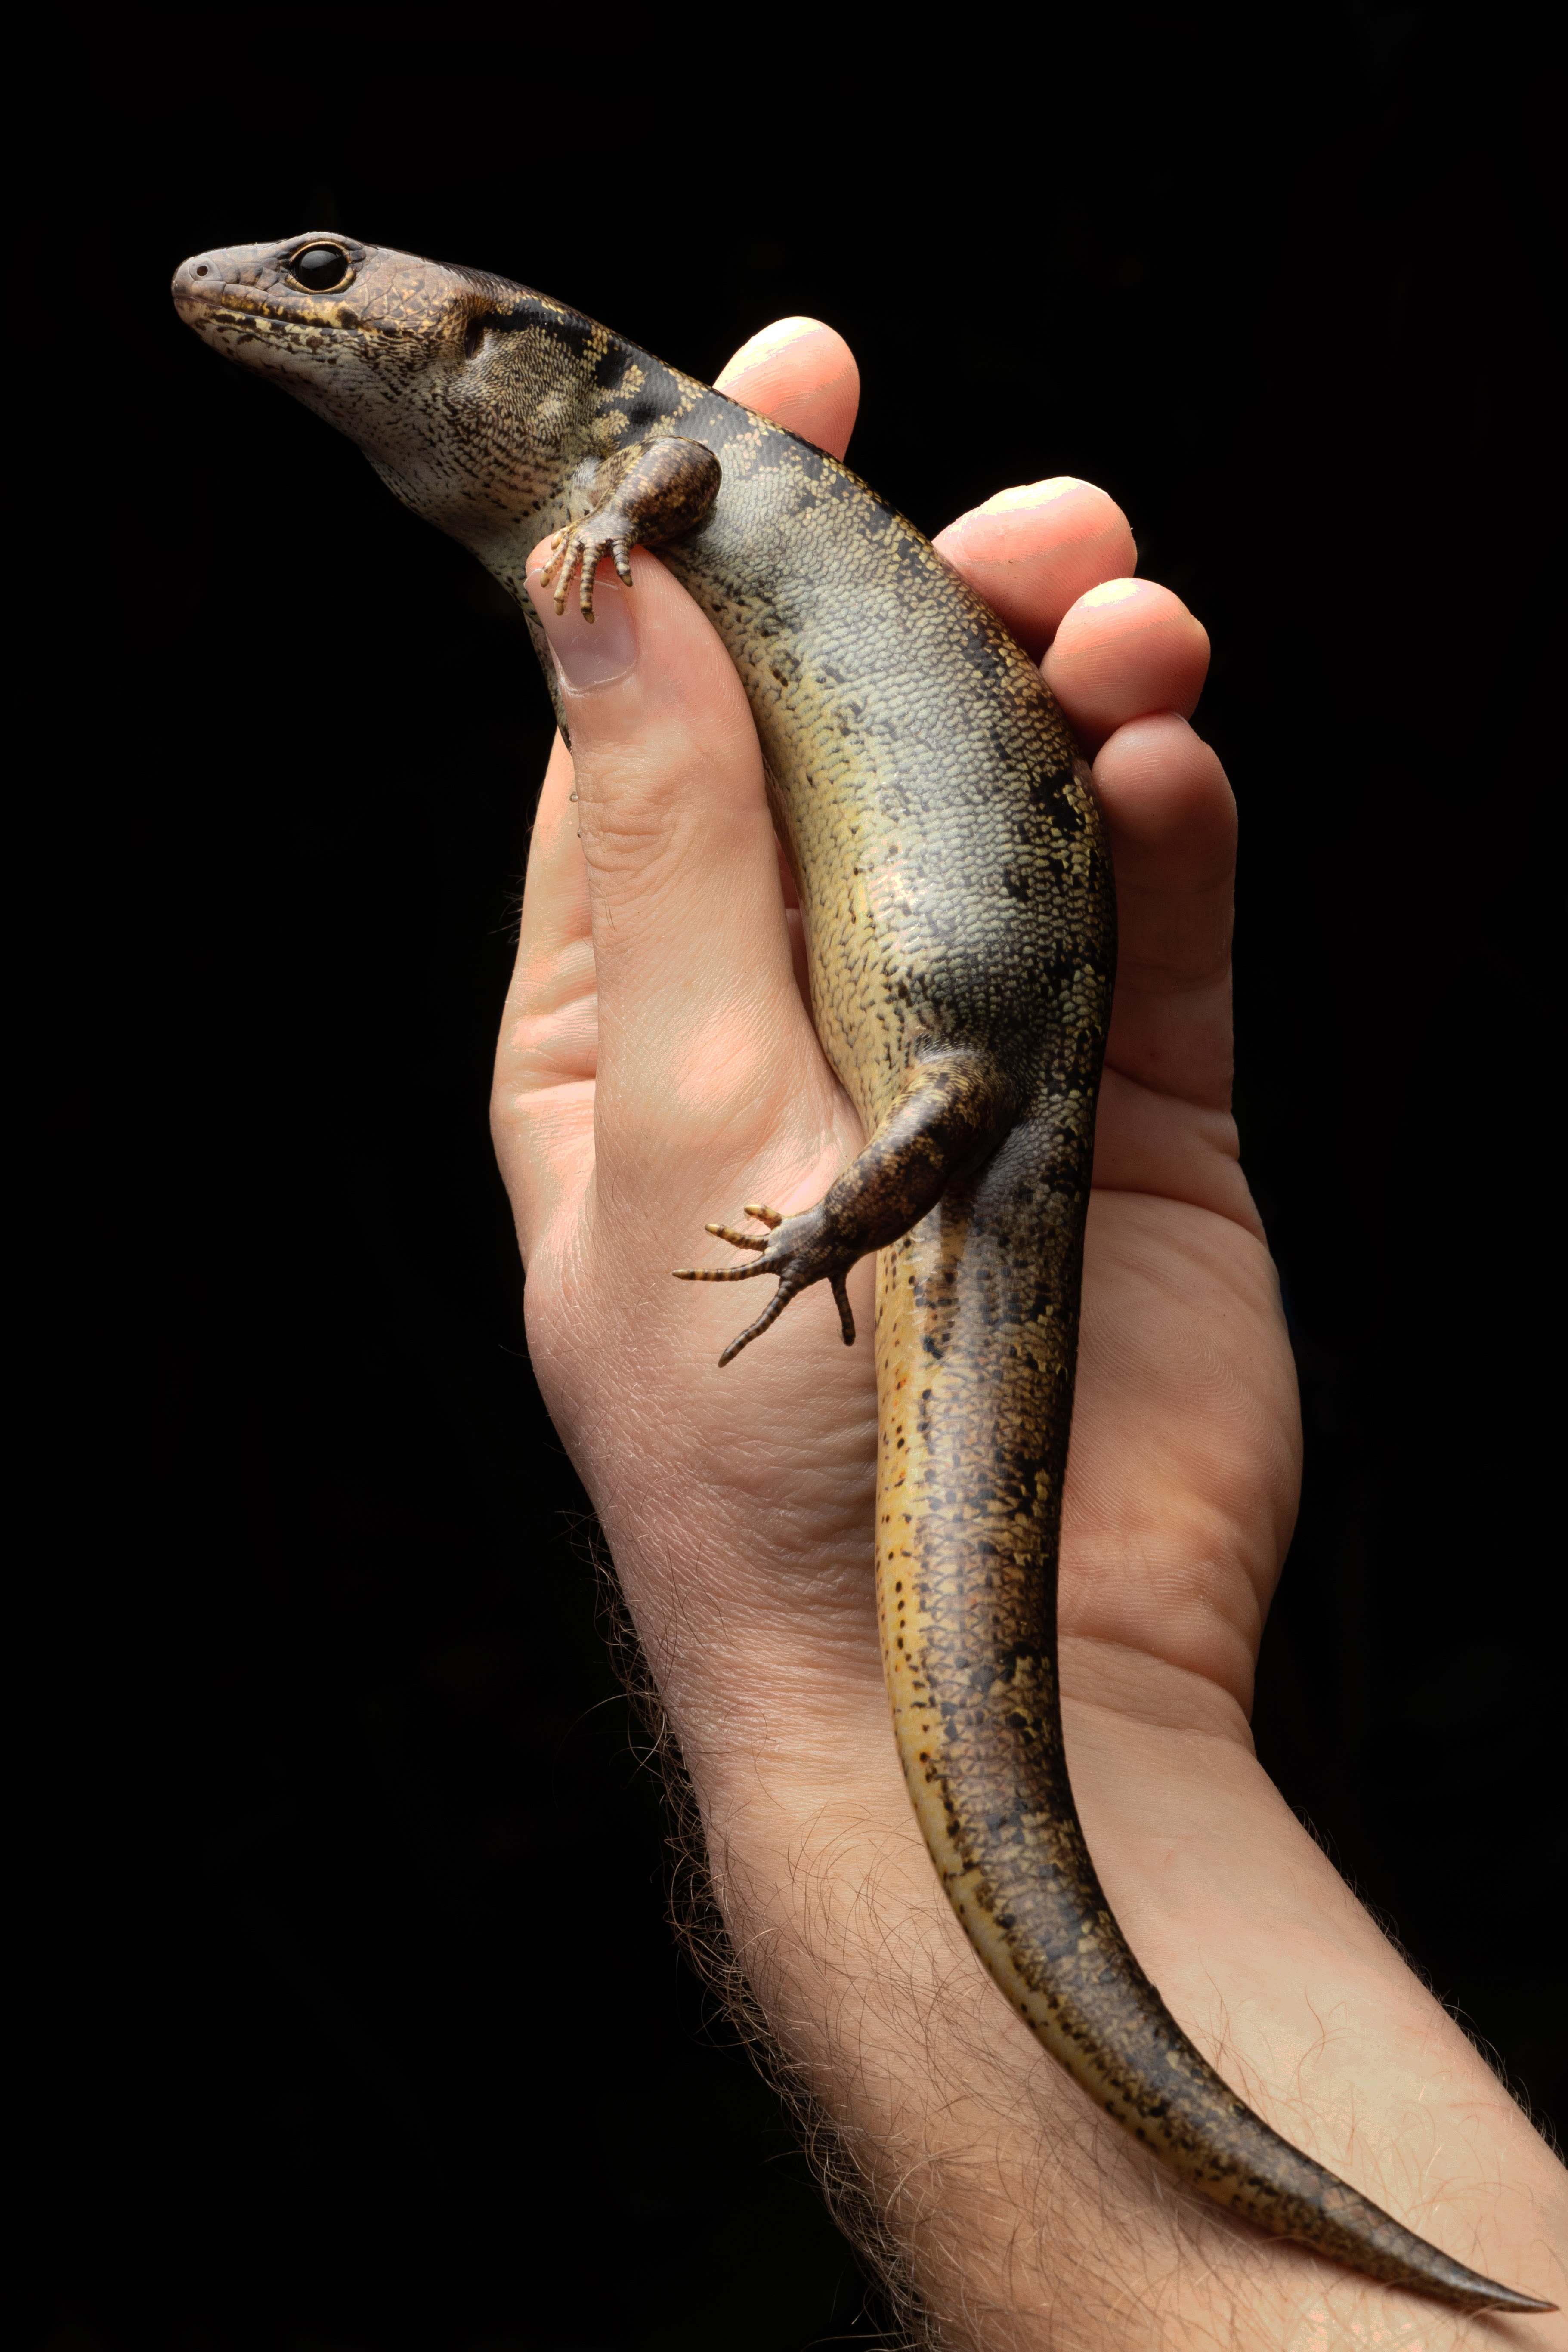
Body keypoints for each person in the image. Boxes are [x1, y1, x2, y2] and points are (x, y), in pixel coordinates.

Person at [490, 317, 1566, 2344]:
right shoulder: (656, 464)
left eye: (335, 268)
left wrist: (823, 1253)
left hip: (950, 1097)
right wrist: (1105, 1712)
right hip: (959, 1073)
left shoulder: (657, 455)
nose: (285, 282)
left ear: (486, 334)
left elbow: (685, 474)